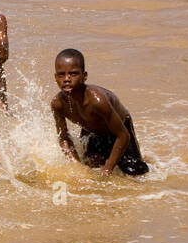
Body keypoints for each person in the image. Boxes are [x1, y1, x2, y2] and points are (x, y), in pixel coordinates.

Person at [50, 48, 149, 176]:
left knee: (135, 172)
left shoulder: (98, 101)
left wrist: (108, 168)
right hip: (91, 130)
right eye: (61, 74)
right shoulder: (57, 104)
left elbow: (123, 135)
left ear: (84, 76)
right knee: (91, 166)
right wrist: (77, 165)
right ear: (55, 77)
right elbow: (63, 138)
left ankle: (145, 158)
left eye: (73, 74)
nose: (67, 79)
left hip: (118, 130)